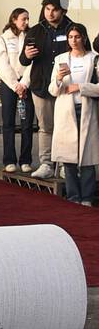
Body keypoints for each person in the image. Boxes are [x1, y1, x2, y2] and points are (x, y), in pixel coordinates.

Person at [19, 0, 74, 180]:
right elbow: (23, 61)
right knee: (45, 127)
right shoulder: (35, 31)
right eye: (47, 9)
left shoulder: (72, 29)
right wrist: (27, 54)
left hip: (66, 87)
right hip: (41, 87)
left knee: (66, 126)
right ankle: (46, 164)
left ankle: (66, 164)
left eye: (55, 10)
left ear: (63, 11)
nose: (50, 13)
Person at [49, 23, 99, 206]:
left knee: (87, 155)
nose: (74, 41)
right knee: (68, 155)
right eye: (70, 37)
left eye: (77, 37)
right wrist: (58, 79)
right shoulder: (61, 58)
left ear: (84, 38)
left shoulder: (94, 59)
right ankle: (72, 197)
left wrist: (81, 87)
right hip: (65, 110)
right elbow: (53, 90)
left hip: (87, 109)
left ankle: (86, 197)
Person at [0, 8, 34, 173]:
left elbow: (33, 62)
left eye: (28, 19)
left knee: (27, 123)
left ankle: (25, 160)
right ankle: (9, 160)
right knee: (8, 122)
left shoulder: (30, 37)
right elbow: (1, 64)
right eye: (23, 19)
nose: (26, 22)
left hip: (26, 85)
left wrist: (24, 83)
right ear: (14, 19)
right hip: (9, 85)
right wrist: (15, 85)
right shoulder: (2, 39)